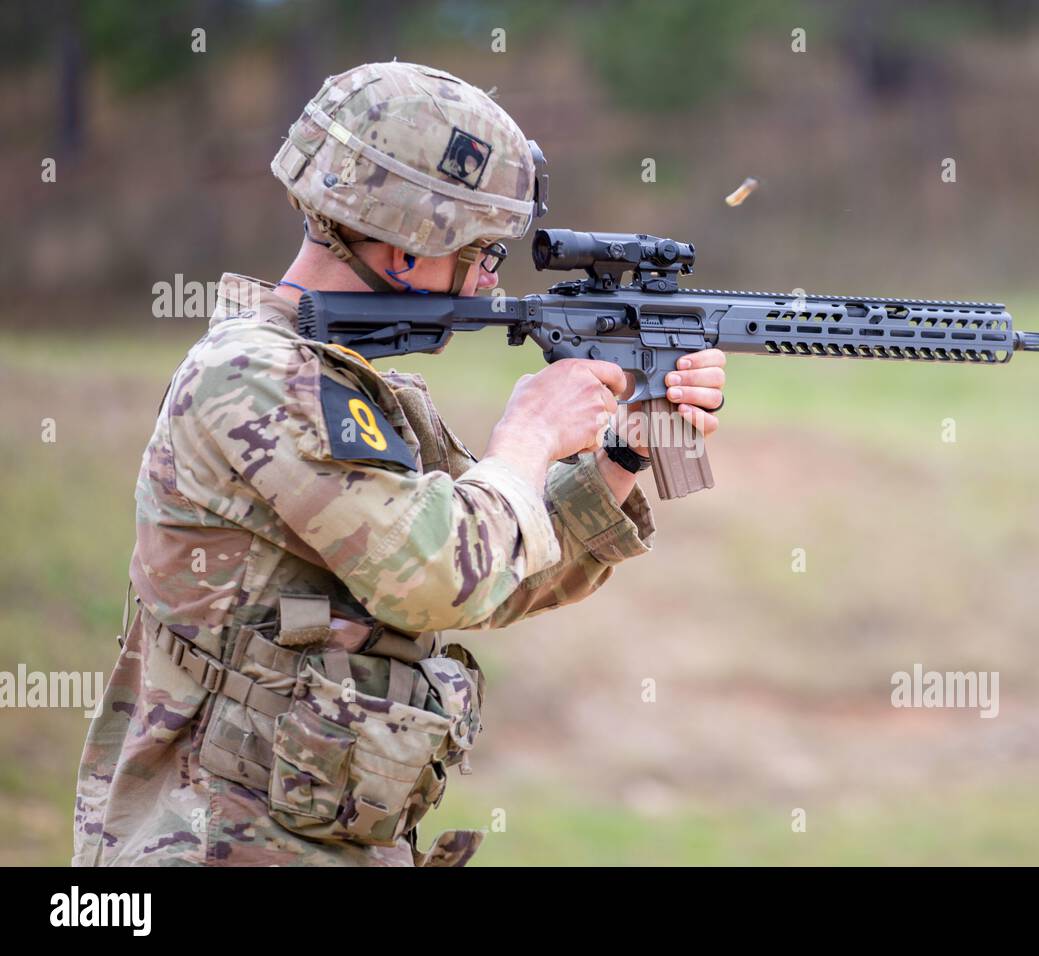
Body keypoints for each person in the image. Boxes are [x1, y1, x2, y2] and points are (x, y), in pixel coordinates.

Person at [72, 61, 726, 866]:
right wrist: (526, 436)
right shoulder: (258, 380)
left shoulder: (342, 381)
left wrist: (620, 454)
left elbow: (490, 573)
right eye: (482, 249)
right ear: (407, 243)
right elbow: (432, 578)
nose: (491, 276)